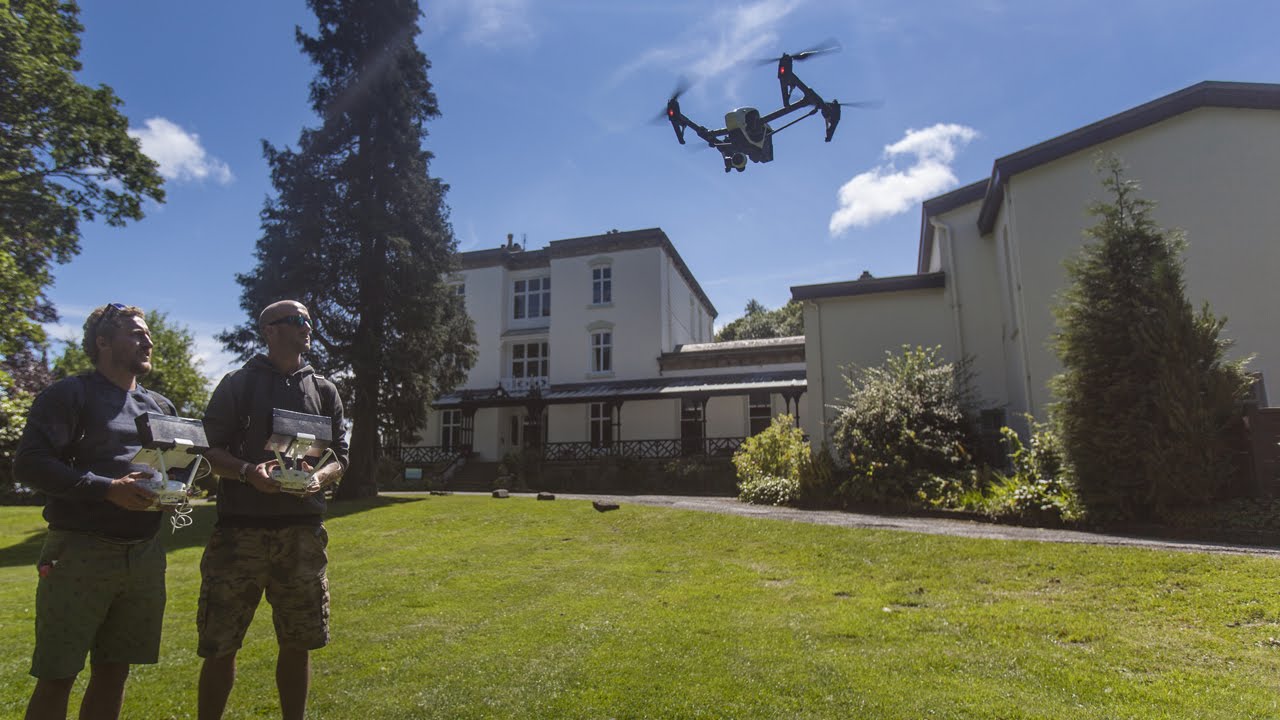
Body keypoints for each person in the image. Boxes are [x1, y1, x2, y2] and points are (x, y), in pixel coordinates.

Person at [15, 303, 177, 720]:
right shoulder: (71, 394)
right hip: (79, 553)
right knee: (58, 675)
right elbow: (30, 463)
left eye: (147, 333)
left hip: (144, 553)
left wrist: (178, 488)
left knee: (114, 671)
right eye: (136, 333)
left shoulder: (159, 406)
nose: (148, 340)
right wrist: (108, 490)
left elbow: (177, 466)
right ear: (102, 342)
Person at [196, 300, 348, 720]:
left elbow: (339, 456)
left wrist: (320, 478)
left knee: (298, 644)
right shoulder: (238, 384)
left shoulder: (324, 390)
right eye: (297, 320)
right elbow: (206, 451)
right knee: (221, 646)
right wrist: (246, 472)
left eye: (309, 321)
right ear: (269, 330)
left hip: (301, 535)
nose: (308, 327)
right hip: (238, 536)